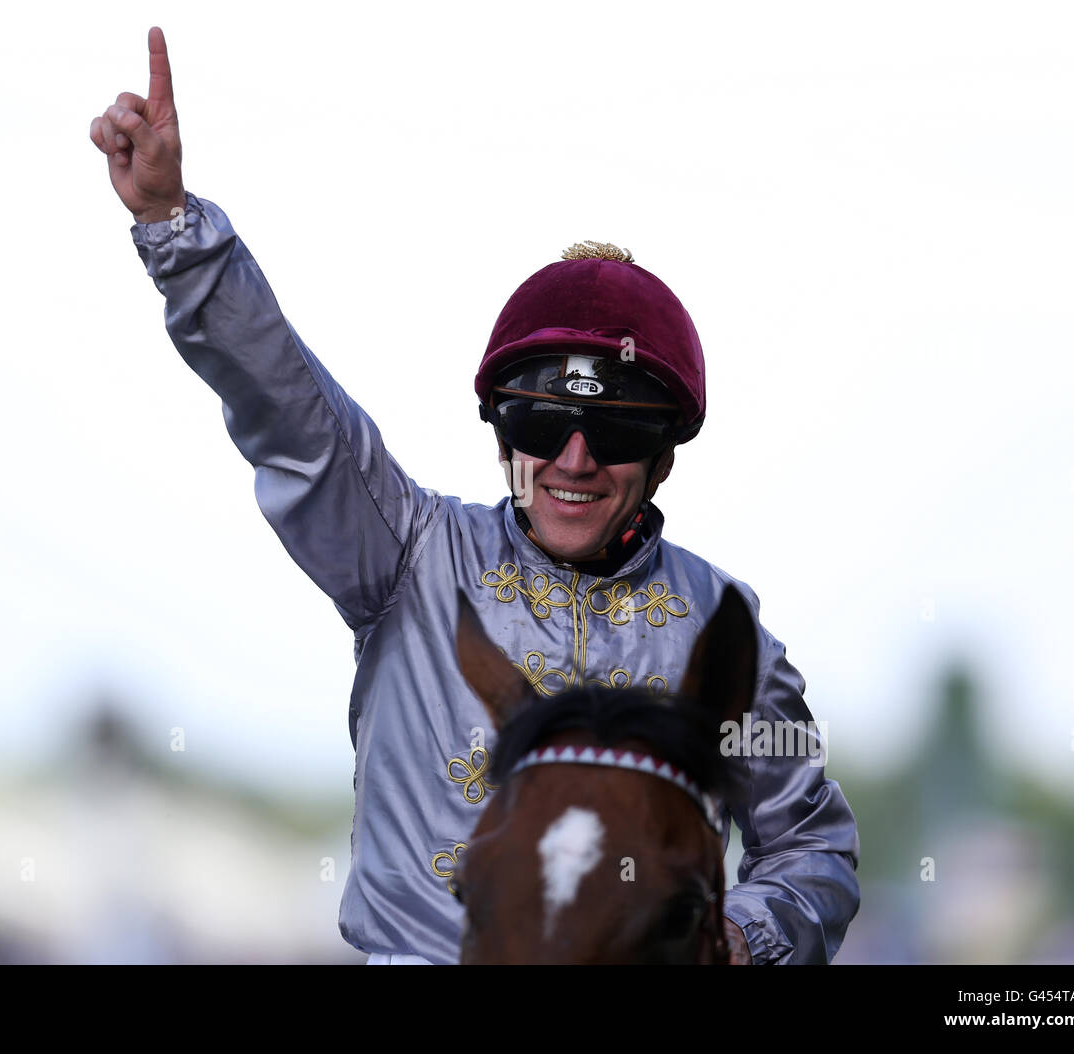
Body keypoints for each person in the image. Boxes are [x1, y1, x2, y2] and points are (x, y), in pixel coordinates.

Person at [90, 26, 860, 965]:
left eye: (614, 434)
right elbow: (287, 408)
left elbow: (813, 847)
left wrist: (744, 937)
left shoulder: (721, 629)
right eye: (543, 428)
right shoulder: (407, 557)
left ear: (663, 457)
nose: (573, 459)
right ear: (503, 435)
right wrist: (174, 226)